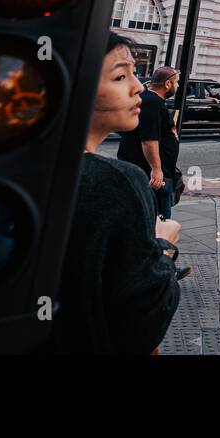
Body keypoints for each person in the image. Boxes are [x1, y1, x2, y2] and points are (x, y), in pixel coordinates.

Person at [46, 33, 181, 353]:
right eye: (121, 76)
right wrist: (163, 247)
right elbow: (144, 319)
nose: (137, 86)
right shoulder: (117, 182)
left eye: (134, 73)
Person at [117, 66, 180, 220]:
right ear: (167, 84)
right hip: (152, 174)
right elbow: (149, 139)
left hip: (142, 169)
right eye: (176, 82)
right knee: (159, 217)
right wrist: (157, 170)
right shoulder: (154, 103)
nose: (178, 86)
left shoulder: (145, 99)